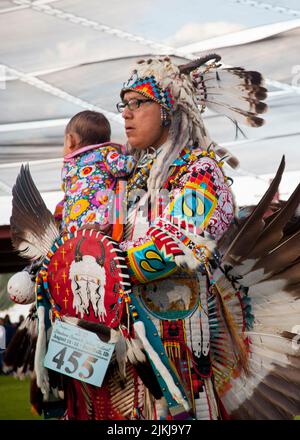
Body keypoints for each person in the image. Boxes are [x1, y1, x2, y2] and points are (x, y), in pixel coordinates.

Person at [9, 55, 300, 420]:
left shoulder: (200, 172)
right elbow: (81, 236)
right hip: (103, 346)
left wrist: (98, 268)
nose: (126, 114)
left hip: (171, 351)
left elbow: (176, 244)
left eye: (139, 103)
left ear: (169, 110)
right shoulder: (119, 181)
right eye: (124, 104)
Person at [57, 110, 136, 239]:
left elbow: (67, 193)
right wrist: (134, 158)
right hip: (98, 223)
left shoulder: (68, 167)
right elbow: (122, 168)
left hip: (71, 230)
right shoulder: (105, 152)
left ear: (70, 140)